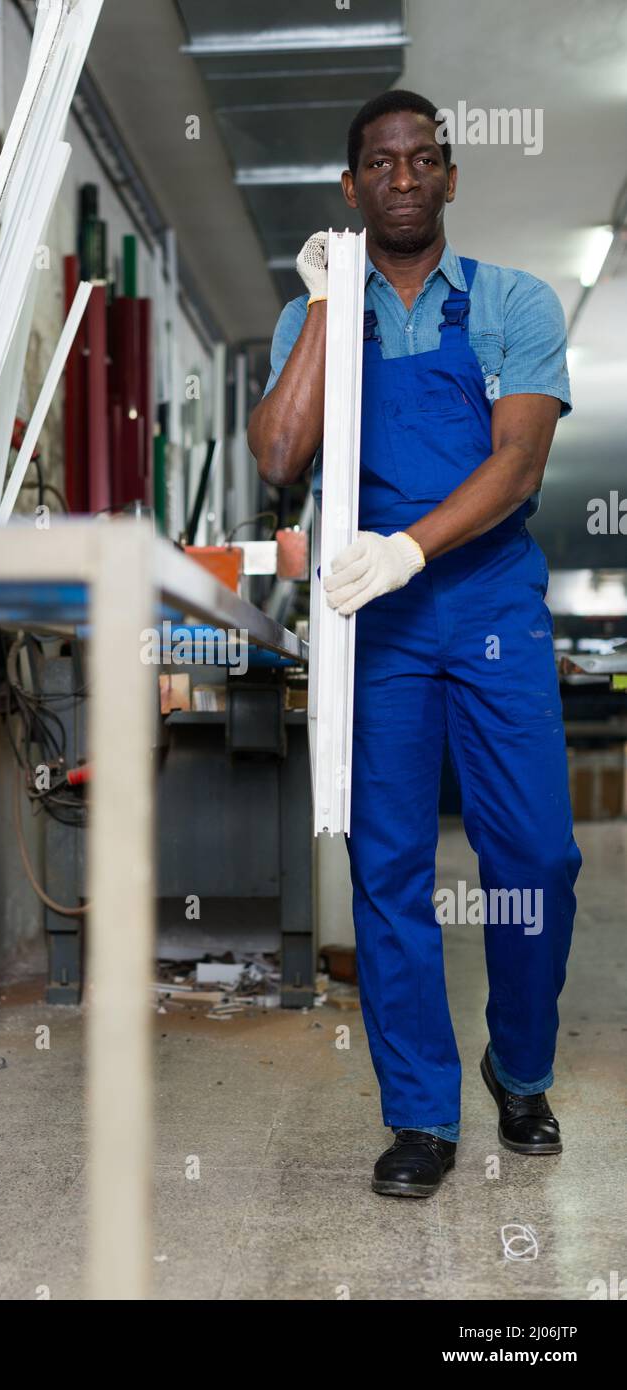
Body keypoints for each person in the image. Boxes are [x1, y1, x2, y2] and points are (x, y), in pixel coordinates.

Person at [247, 90, 581, 1198]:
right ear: (349, 190)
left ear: (448, 176)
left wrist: (408, 547)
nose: (400, 177)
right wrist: (324, 309)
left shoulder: (511, 303)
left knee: (534, 858)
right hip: (372, 627)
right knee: (385, 869)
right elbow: (278, 455)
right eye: (377, 164)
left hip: (487, 610)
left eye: (420, 160)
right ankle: (420, 1115)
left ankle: (517, 1066)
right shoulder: (316, 315)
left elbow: (517, 466)